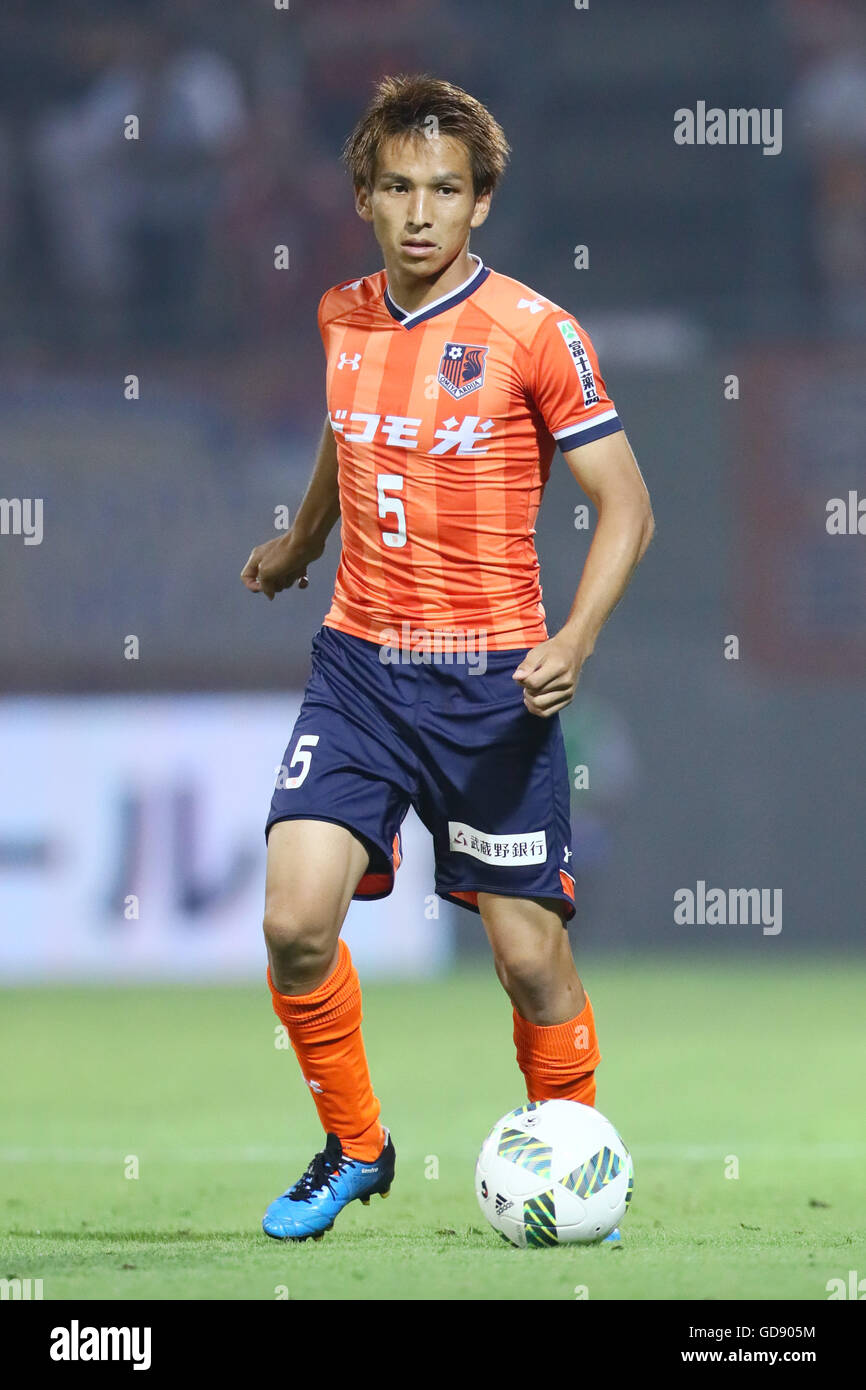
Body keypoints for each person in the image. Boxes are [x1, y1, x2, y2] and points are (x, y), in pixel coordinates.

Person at [241, 74, 654, 1243]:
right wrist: (303, 538)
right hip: (361, 672)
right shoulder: (341, 315)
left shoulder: (532, 331)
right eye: (396, 188)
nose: (420, 212)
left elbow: (624, 506)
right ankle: (356, 1145)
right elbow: (346, 425)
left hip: (493, 687)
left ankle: (572, 1168)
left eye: (446, 191)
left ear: (479, 205)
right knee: (293, 922)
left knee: (529, 959)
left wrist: (570, 638)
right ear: (363, 198)